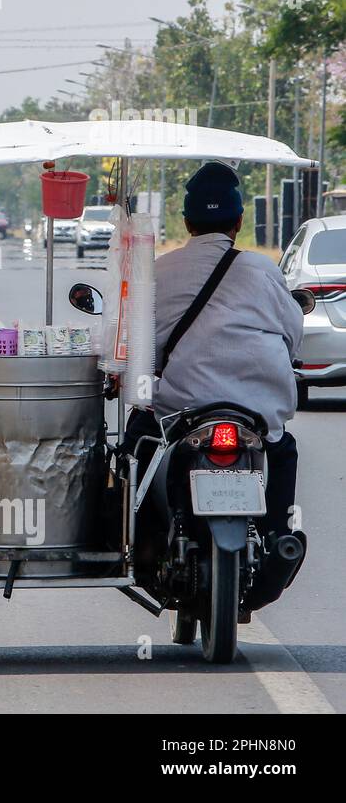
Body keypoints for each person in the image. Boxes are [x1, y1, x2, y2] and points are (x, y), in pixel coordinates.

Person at [124, 161, 305, 613]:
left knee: (138, 444)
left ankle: (133, 540)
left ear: (186, 223)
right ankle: (279, 535)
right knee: (282, 451)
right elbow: (292, 335)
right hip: (256, 412)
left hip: (180, 408)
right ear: (239, 221)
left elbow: (137, 343)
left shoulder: (160, 271)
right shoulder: (263, 272)